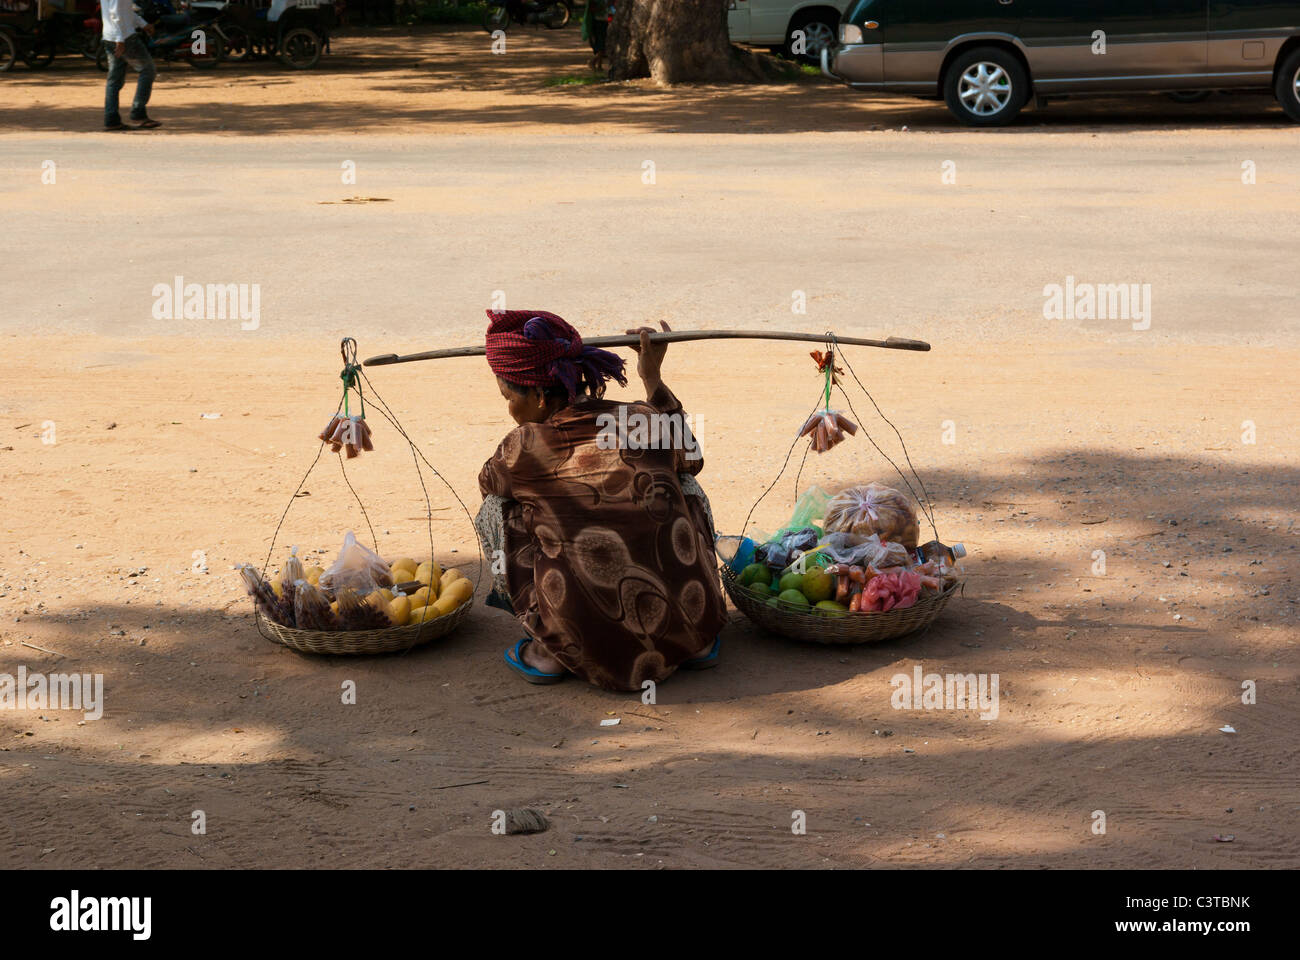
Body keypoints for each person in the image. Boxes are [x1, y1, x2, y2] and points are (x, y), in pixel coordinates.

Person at [475, 310, 727, 690]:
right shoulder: (643, 417)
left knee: (498, 508)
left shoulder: (521, 448)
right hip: (686, 631)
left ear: (540, 396)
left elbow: (487, 483)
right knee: (685, 483)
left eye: (508, 397)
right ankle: (696, 636)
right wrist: (652, 379)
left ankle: (548, 650)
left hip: (585, 647)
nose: (509, 409)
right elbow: (692, 455)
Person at [101, 0, 160, 130]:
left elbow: (125, 11)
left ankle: (111, 120)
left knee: (114, 80)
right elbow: (115, 13)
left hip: (109, 36)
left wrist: (143, 24)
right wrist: (120, 40)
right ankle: (138, 113)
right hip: (125, 38)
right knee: (148, 70)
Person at [580, 0, 612, 72]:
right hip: (598, 22)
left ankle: (599, 65)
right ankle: (593, 62)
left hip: (604, 21)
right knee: (601, 45)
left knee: (603, 44)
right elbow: (592, 9)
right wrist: (603, 7)